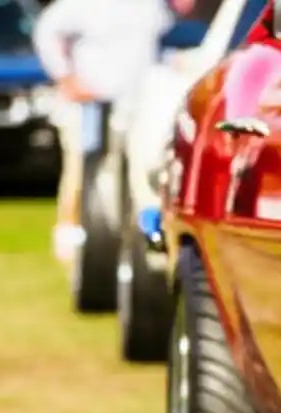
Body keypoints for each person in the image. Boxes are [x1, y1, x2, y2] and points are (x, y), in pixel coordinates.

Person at [33, 0, 196, 263]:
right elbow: (47, 32)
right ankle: (73, 237)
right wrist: (66, 78)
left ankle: (127, 242)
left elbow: (169, 36)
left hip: (140, 105)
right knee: (81, 170)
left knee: (136, 177)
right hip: (93, 104)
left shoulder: (152, 6)